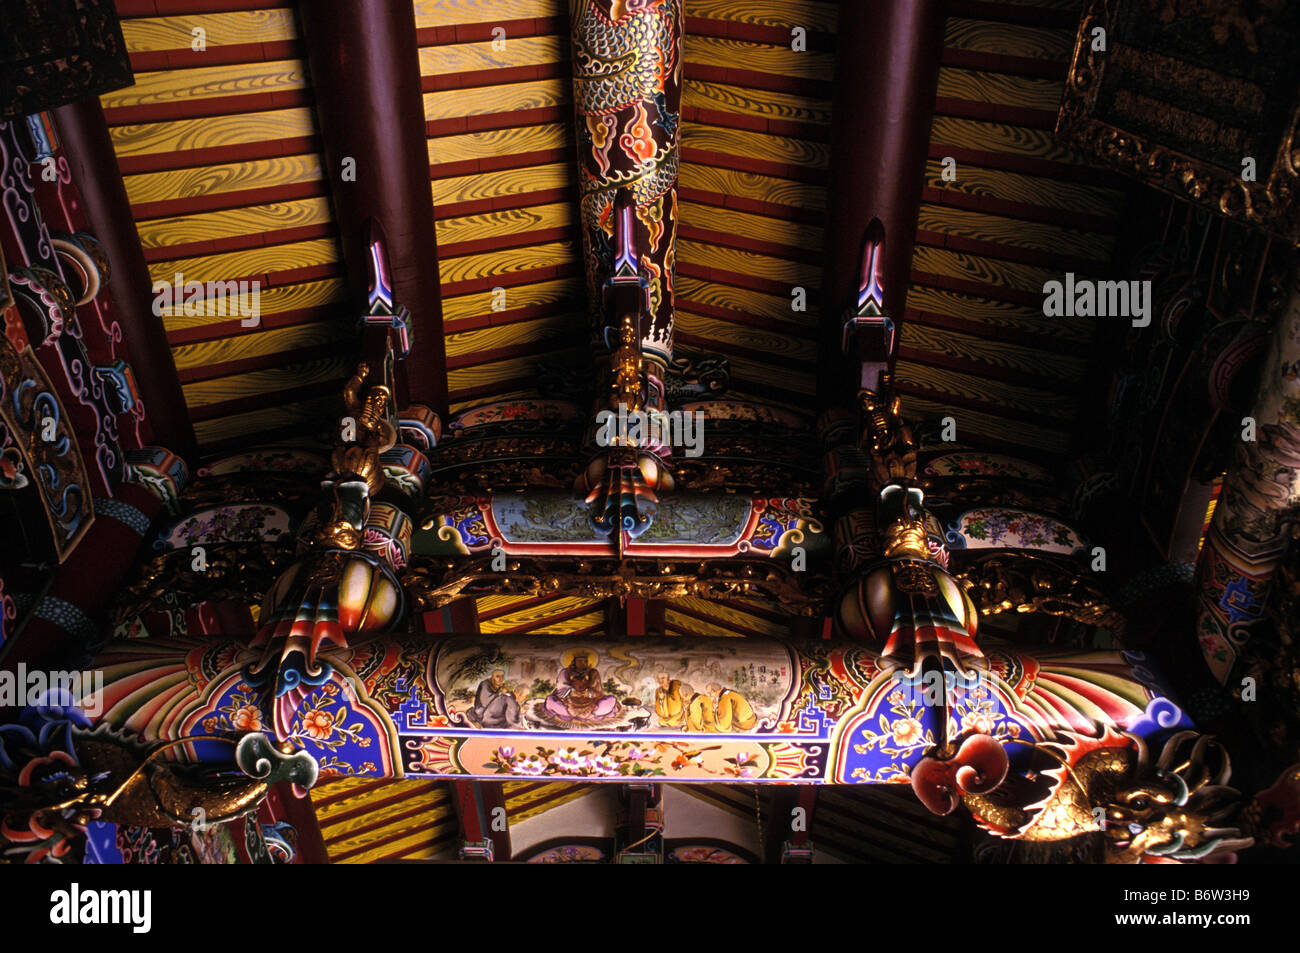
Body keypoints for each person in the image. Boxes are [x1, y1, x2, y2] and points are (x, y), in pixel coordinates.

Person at [544, 650, 618, 723]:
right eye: (580, 661)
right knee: (550, 700)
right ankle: (568, 714)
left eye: (585, 661)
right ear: (574, 662)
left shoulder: (593, 672)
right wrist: (573, 689)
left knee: (611, 700)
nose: (583, 663)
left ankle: (590, 714)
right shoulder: (566, 671)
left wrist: (586, 690)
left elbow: (597, 691)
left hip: (590, 702)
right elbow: (561, 687)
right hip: (568, 701)